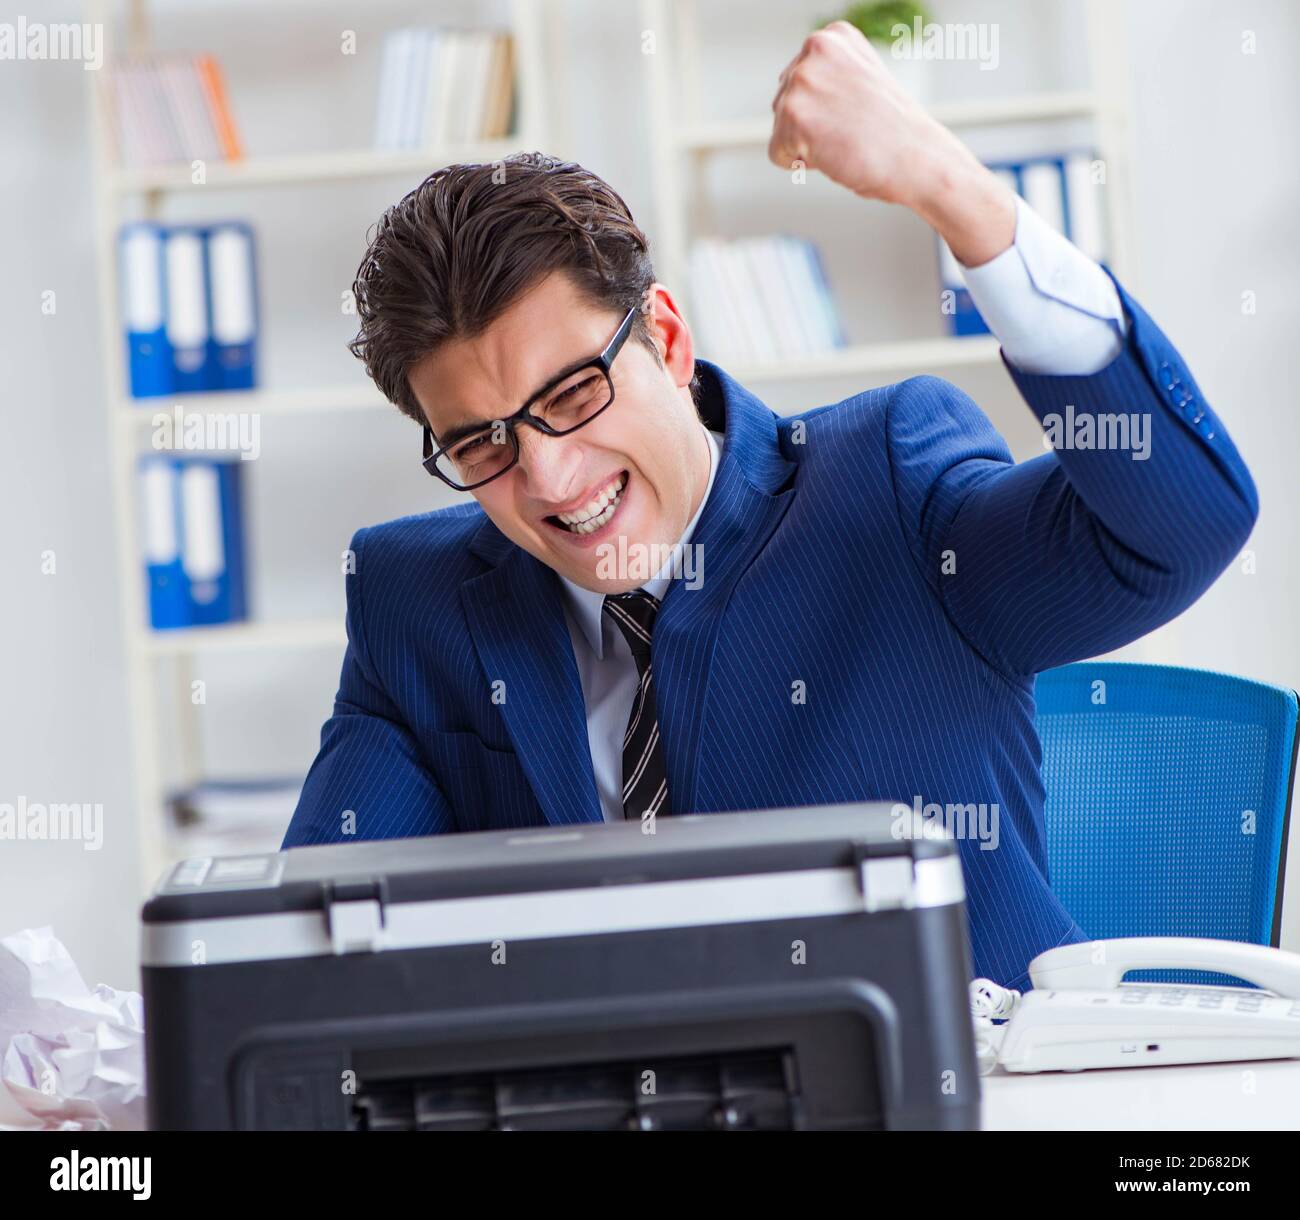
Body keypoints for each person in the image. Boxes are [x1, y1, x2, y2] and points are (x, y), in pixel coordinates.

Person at [282, 23, 1257, 990]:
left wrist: (950, 191)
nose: (548, 476)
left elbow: (1180, 525)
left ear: (666, 339)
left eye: (574, 393)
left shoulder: (887, 487)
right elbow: (296, 959)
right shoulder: (417, 602)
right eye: (481, 442)